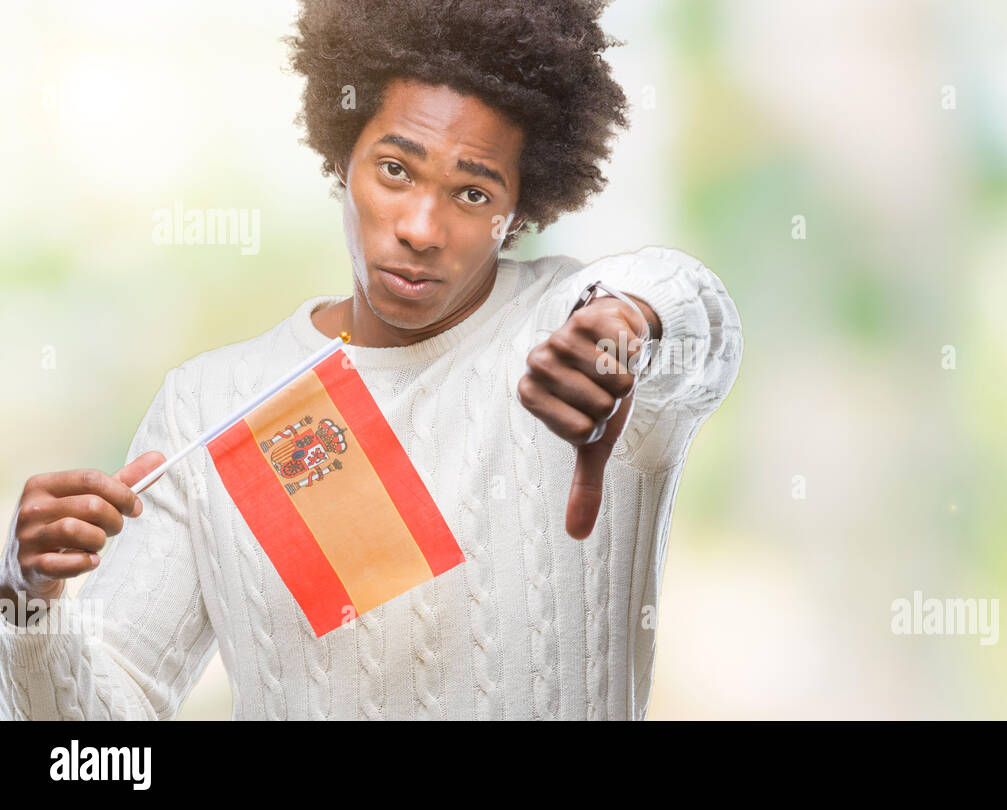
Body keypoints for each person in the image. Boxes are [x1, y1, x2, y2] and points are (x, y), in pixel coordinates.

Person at [0, 0, 742, 720]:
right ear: (342, 153)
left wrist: (631, 327)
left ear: (520, 210)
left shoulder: (570, 336)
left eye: (473, 191)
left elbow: (695, 314)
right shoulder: (212, 403)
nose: (421, 227)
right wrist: (28, 601)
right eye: (394, 170)